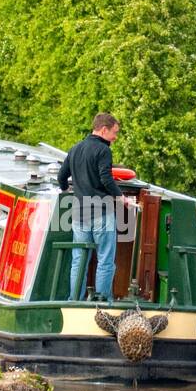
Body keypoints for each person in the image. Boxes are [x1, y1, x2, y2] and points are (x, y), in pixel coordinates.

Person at [59, 112, 123, 301]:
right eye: (114, 132)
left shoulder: (75, 148)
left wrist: (67, 190)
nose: (115, 137)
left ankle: (74, 301)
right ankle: (102, 302)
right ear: (104, 130)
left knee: (79, 260)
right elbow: (106, 178)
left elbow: (61, 177)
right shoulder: (103, 151)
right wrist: (120, 197)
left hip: (79, 213)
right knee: (105, 260)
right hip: (101, 212)